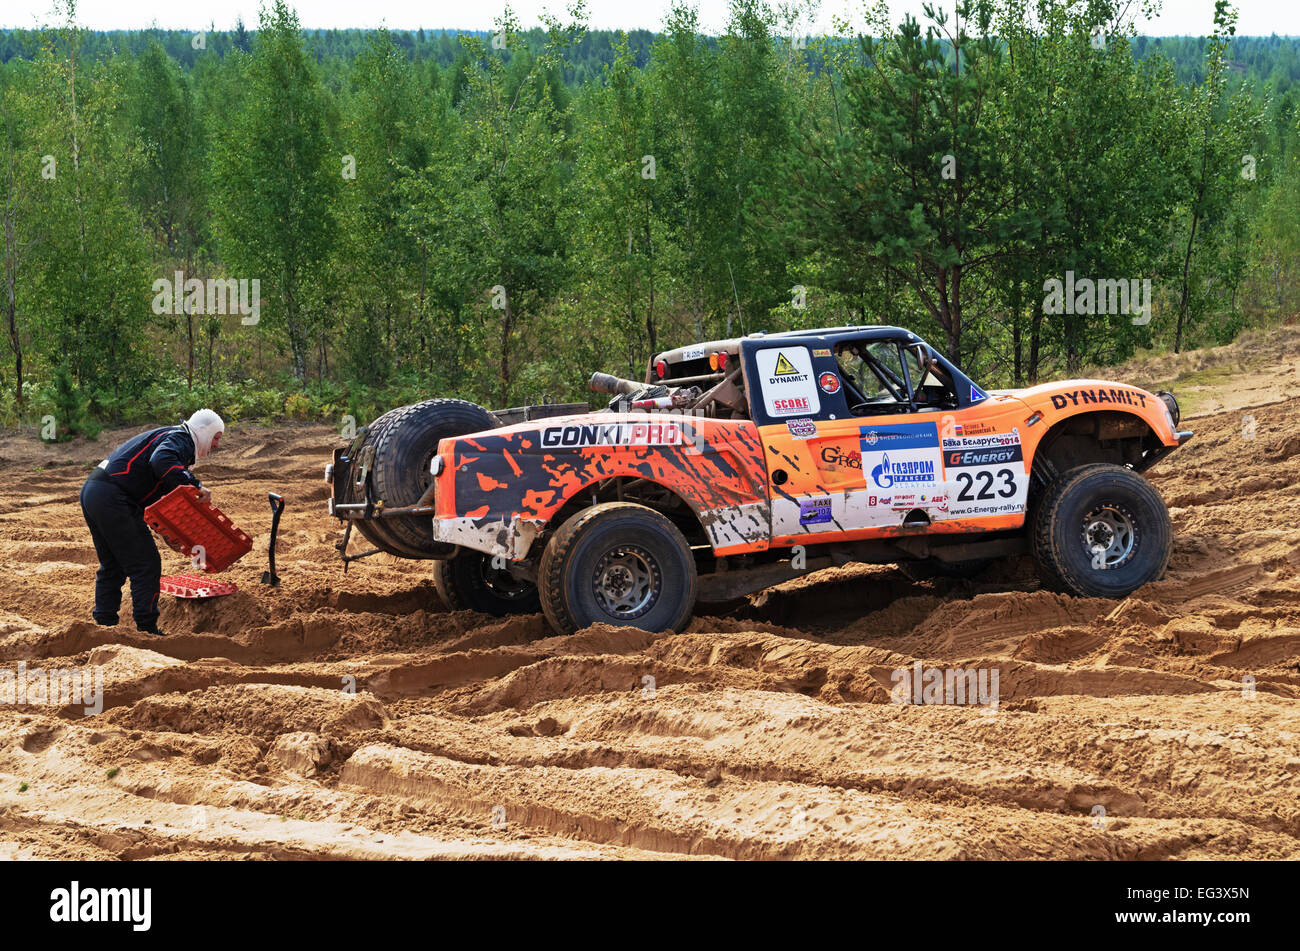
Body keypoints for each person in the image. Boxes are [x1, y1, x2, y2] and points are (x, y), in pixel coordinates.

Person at [80, 409, 225, 636]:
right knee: (146, 564)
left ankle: (104, 626)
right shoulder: (182, 439)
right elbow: (161, 460)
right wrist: (195, 485)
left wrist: (166, 533)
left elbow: (155, 496)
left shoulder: (171, 438)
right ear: (204, 431)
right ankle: (147, 630)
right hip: (113, 496)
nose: (216, 445)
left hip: (95, 491)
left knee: (113, 565)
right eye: (216, 437)